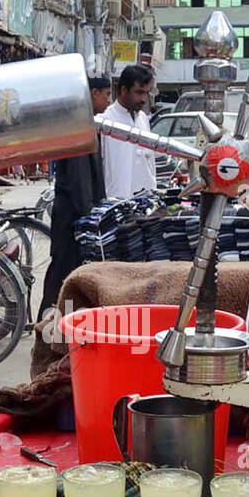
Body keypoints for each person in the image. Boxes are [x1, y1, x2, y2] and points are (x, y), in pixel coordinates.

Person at [40, 76, 110, 315]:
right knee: (64, 276)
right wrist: (90, 218)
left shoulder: (85, 123)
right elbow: (80, 182)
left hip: (75, 215)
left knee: (66, 275)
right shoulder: (78, 126)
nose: (108, 101)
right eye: (106, 94)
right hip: (72, 218)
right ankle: (50, 330)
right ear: (93, 93)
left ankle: (57, 328)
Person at [100, 64, 157, 198]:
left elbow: (150, 163)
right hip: (116, 206)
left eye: (146, 93)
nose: (144, 99)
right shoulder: (105, 120)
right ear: (124, 90)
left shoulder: (142, 118)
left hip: (146, 205)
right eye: (139, 92)